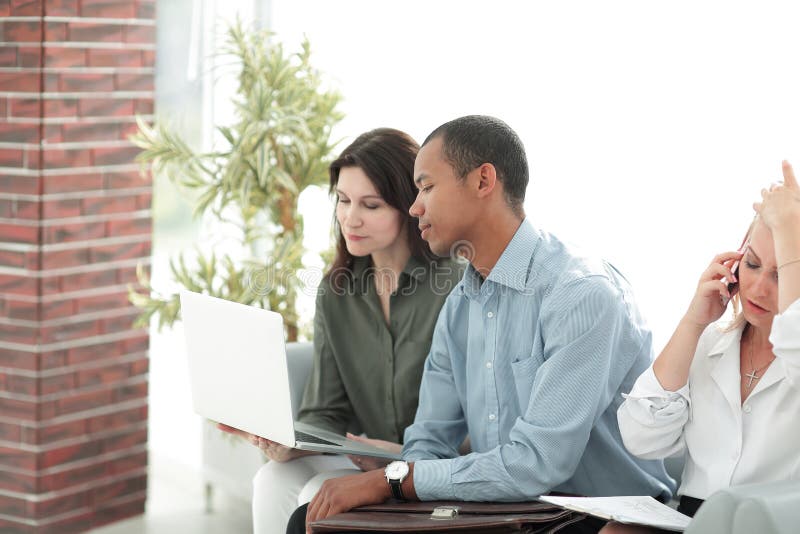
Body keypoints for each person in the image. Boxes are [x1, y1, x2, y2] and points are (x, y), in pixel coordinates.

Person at [289, 115, 674, 534]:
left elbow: (536, 463)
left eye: (427, 187)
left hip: (589, 515)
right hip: (501, 508)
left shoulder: (580, 293)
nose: (415, 207)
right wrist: (397, 496)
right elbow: (429, 441)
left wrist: (392, 481)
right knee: (313, 520)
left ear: (483, 181)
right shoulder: (461, 305)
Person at [220, 128, 463, 534]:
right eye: (344, 201)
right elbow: (326, 412)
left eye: (371, 205)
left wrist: (402, 453)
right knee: (272, 478)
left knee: (317, 491)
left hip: (434, 467)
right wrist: (287, 445)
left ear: (410, 206)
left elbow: (482, 422)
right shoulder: (337, 293)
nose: (350, 218)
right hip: (367, 459)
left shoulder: (454, 287)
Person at [613, 161, 800, 526]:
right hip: (694, 519)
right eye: (753, 263)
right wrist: (693, 322)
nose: (759, 287)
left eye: (781, 274)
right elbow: (640, 437)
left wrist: (791, 229)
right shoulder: (713, 341)